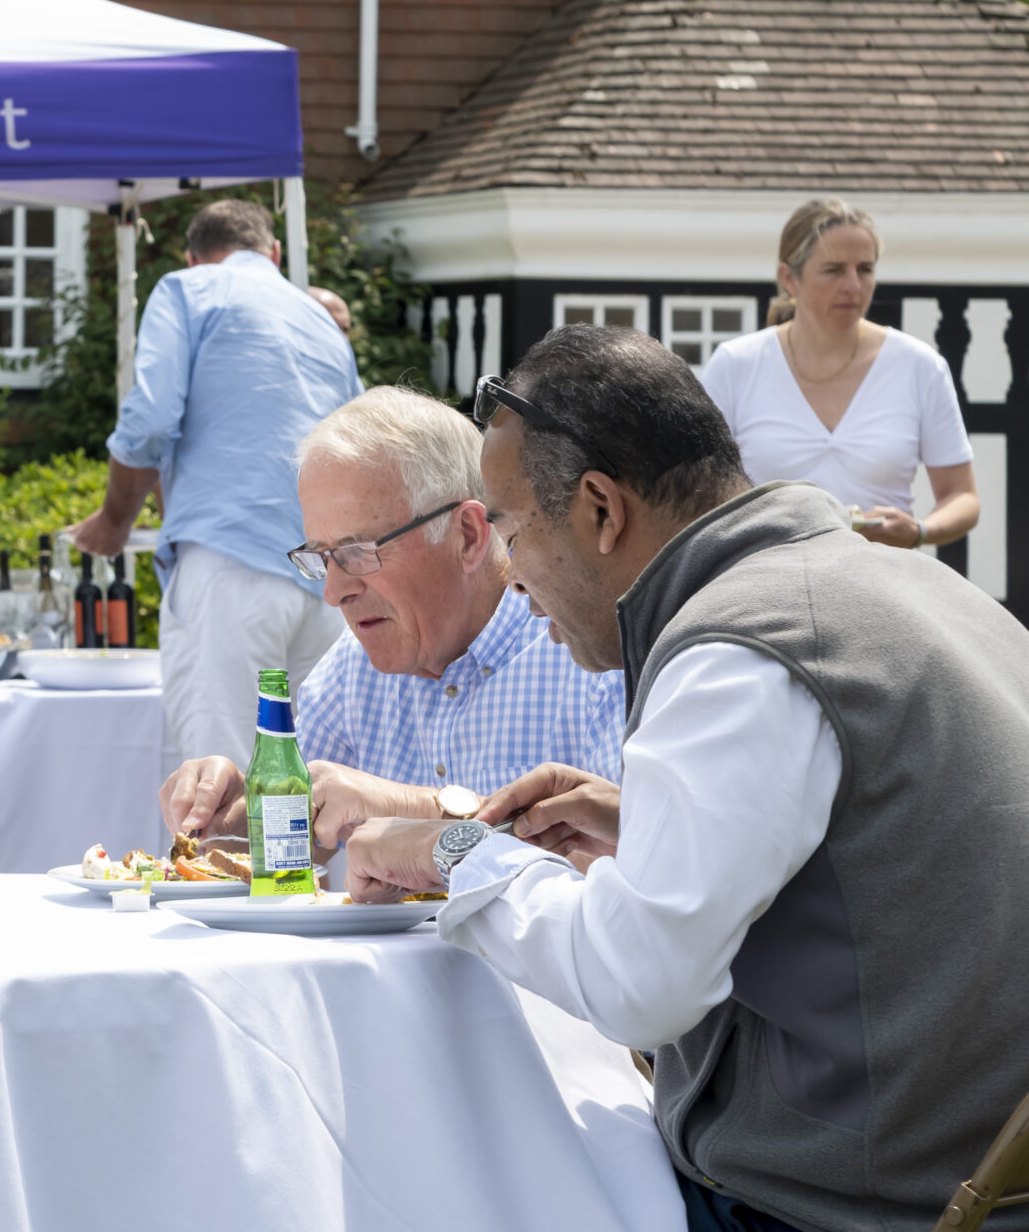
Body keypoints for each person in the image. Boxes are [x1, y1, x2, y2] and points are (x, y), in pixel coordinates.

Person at [345, 327, 1029, 1232]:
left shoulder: (741, 648)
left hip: (838, 1202)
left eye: (508, 530)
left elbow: (641, 983)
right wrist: (643, 823)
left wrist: (455, 849)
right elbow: (901, 858)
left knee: (435, 1176)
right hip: (964, 1168)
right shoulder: (916, 588)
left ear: (599, 507)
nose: (509, 578)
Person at [159, 388, 622, 854]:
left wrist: (410, 808)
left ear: (468, 535)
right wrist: (232, 811)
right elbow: (296, 840)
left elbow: (643, 860)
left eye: (358, 553)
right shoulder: (351, 668)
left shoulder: (587, 652)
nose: (334, 592)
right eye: (322, 558)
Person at [67, 198, 363, 771]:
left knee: (218, 789)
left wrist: (113, 522)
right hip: (327, 582)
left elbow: (151, 420)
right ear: (274, 253)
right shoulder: (319, 320)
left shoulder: (187, 289)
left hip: (230, 566)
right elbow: (357, 445)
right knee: (328, 796)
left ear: (193, 257)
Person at [703, 198, 978, 553]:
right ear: (789, 278)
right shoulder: (736, 364)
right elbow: (694, 494)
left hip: (884, 585)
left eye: (865, 269)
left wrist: (920, 531)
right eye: (834, 270)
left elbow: (962, 496)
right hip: (765, 589)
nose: (853, 285)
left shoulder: (920, 366)